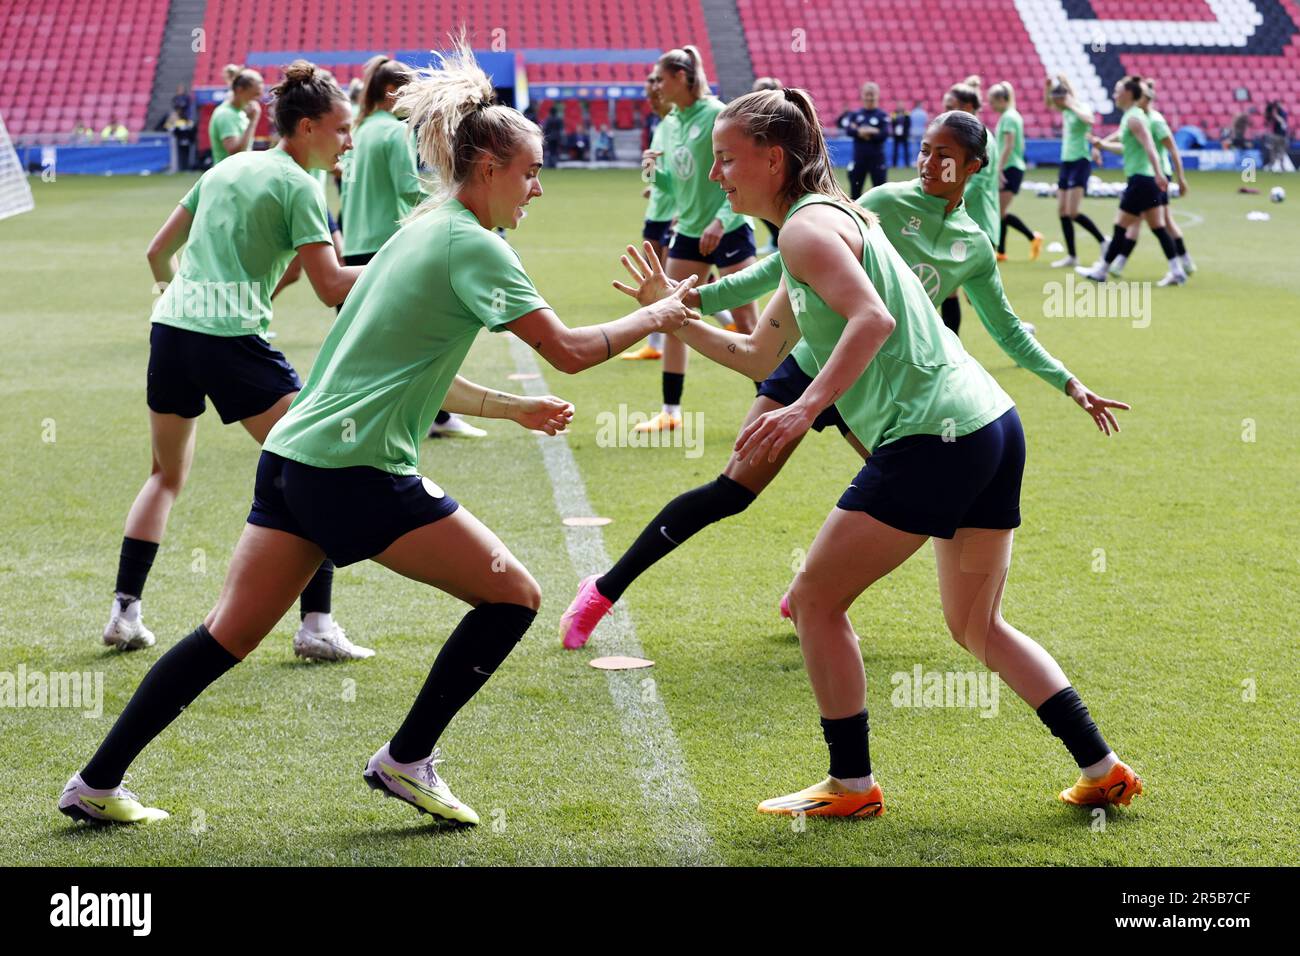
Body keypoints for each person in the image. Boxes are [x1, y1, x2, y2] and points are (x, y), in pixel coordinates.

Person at [59, 43, 700, 828]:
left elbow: (408, 365)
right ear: (490, 164)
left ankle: (95, 779)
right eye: (531, 172)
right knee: (514, 597)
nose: (538, 188)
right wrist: (658, 315)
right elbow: (567, 351)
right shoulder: (475, 244)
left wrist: (511, 409)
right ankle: (406, 759)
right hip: (354, 472)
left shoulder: (422, 228)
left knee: (225, 635)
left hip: (295, 457)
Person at [586, 86, 1142, 819]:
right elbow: (759, 354)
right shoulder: (829, 219)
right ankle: (1102, 768)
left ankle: (852, 785)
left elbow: (871, 319)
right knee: (978, 626)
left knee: (815, 600)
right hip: (990, 426)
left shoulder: (804, 232)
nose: (715, 175)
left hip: (933, 437)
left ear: (772, 158)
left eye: (726, 159)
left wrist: (804, 409)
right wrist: (675, 315)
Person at [562, 110, 1124, 652]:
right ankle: (603, 591)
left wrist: (1070, 383)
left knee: (897, 495)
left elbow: (1006, 331)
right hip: (816, 366)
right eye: (925, 150)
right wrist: (687, 301)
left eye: (946, 156)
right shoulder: (878, 202)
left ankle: (813, 592)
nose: (930, 163)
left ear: (975, 166)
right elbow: (779, 269)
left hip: (886, 390)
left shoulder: (974, 245)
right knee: (732, 490)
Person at [99, 62, 370, 663]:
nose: (349, 141)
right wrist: (403, 261)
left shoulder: (226, 166)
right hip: (231, 341)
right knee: (322, 456)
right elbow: (330, 286)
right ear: (305, 128)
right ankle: (317, 626)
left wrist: (193, 301)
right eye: (342, 129)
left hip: (170, 330)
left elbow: (157, 252)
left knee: (163, 477)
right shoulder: (301, 184)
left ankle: (125, 612)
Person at [343, 57, 483, 437]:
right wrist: (453, 190)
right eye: (410, 91)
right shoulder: (393, 132)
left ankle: (377, 421)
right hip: (384, 245)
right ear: (392, 92)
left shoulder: (357, 131)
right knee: (418, 338)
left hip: (354, 245)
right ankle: (437, 417)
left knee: (368, 346)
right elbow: (407, 188)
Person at [637, 45, 758, 433]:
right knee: (673, 315)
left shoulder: (716, 115)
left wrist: (722, 220)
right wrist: (654, 173)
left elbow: (737, 171)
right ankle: (670, 412)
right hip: (688, 229)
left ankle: (772, 403)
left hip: (729, 226)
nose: (656, 85)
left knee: (747, 320)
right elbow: (678, 183)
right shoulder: (669, 123)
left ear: (683, 78)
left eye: (661, 77)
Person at [1077, 75, 1186, 286]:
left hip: (1141, 180)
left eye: (1117, 90)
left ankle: (1102, 270)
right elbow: (1129, 149)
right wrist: (1104, 145)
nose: (1114, 94)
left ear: (1127, 93)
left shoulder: (1134, 118)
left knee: (1120, 226)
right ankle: (1177, 270)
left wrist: (1159, 173)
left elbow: (1150, 147)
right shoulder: (1133, 117)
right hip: (1145, 180)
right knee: (1158, 227)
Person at [622, 71, 677, 361]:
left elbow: (684, 177)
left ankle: (732, 322)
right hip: (658, 210)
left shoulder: (679, 126)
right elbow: (654, 175)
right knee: (658, 278)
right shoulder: (662, 125)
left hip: (674, 213)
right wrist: (651, 184)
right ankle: (654, 345)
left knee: (666, 280)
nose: (651, 102)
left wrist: (682, 205)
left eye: (654, 96)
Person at [939, 76, 998, 334]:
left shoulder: (983, 138)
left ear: (966, 107)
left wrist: (946, 201)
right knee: (948, 288)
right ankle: (949, 348)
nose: (945, 111)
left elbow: (979, 183)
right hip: (957, 222)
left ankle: (1020, 332)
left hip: (978, 223)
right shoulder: (956, 138)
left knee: (980, 299)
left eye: (950, 105)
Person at [1118, 79, 1194, 277]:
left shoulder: (1155, 120)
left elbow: (1172, 149)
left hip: (1156, 174)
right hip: (1147, 173)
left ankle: (1182, 263)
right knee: (1146, 221)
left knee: (1160, 222)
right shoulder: (1136, 118)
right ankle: (1116, 263)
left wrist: (1180, 178)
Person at [1044, 74, 1106, 268]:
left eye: (1058, 100)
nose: (1056, 105)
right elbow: (1050, 102)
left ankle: (1103, 241)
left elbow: (1090, 120)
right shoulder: (1064, 109)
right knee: (1062, 211)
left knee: (1072, 211)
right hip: (1066, 162)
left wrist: (1070, 104)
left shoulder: (1078, 107)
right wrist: (1049, 87)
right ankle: (1072, 256)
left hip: (1080, 161)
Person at [989, 82, 1043, 261]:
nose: (991, 105)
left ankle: (1032, 237)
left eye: (993, 101)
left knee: (1000, 211)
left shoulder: (1009, 118)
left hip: (1009, 168)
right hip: (1011, 167)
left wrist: (999, 169)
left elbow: (1009, 145)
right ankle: (1002, 251)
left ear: (1002, 99)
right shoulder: (1011, 116)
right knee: (1000, 212)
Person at [837, 81, 888, 198]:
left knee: (880, 194)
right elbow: (849, 130)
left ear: (877, 95)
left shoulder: (882, 115)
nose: (869, 97)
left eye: (872, 94)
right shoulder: (856, 114)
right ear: (862, 95)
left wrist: (861, 130)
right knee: (855, 194)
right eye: (867, 94)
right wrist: (872, 131)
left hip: (877, 160)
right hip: (859, 160)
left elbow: (884, 135)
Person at [209, 69, 263, 164]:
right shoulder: (226, 115)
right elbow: (235, 153)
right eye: (255, 94)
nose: (258, 99)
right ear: (240, 90)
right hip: (227, 176)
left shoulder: (240, 112)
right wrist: (253, 121)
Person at [890, 103, 910, 167]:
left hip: (904, 135)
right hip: (896, 135)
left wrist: (905, 131)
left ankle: (907, 164)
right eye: (899, 105)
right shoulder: (894, 113)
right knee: (895, 150)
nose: (900, 107)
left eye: (901, 105)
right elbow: (892, 123)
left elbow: (908, 123)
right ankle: (894, 164)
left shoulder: (906, 114)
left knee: (906, 150)